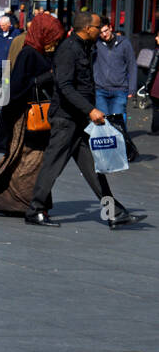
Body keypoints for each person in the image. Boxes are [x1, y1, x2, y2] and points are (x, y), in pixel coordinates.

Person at [26, 12, 136, 228]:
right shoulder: (69, 50)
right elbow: (65, 86)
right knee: (52, 165)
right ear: (87, 28)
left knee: (94, 168)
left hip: (79, 120)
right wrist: (91, 110)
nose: (100, 30)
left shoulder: (85, 47)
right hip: (66, 119)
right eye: (97, 27)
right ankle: (35, 210)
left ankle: (113, 212)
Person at [0, 12, 62, 216]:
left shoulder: (39, 51)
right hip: (26, 117)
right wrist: (46, 77)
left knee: (29, 161)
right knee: (30, 162)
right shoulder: (29, 53)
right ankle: (26, 203)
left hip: (33, 116)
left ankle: (20, 202)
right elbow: (18, 87)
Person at [94, 21, 138, 161]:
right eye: (100, 33)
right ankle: (107, 153)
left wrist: (132, 88)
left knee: (119, 122)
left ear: (111, 28)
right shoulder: (96, 44)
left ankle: (122, 150)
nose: (104, 34)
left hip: (119, 89)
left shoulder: (124, 43)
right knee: (103, 122)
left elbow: (132, 65)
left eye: (106, 31)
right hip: (100, 89)